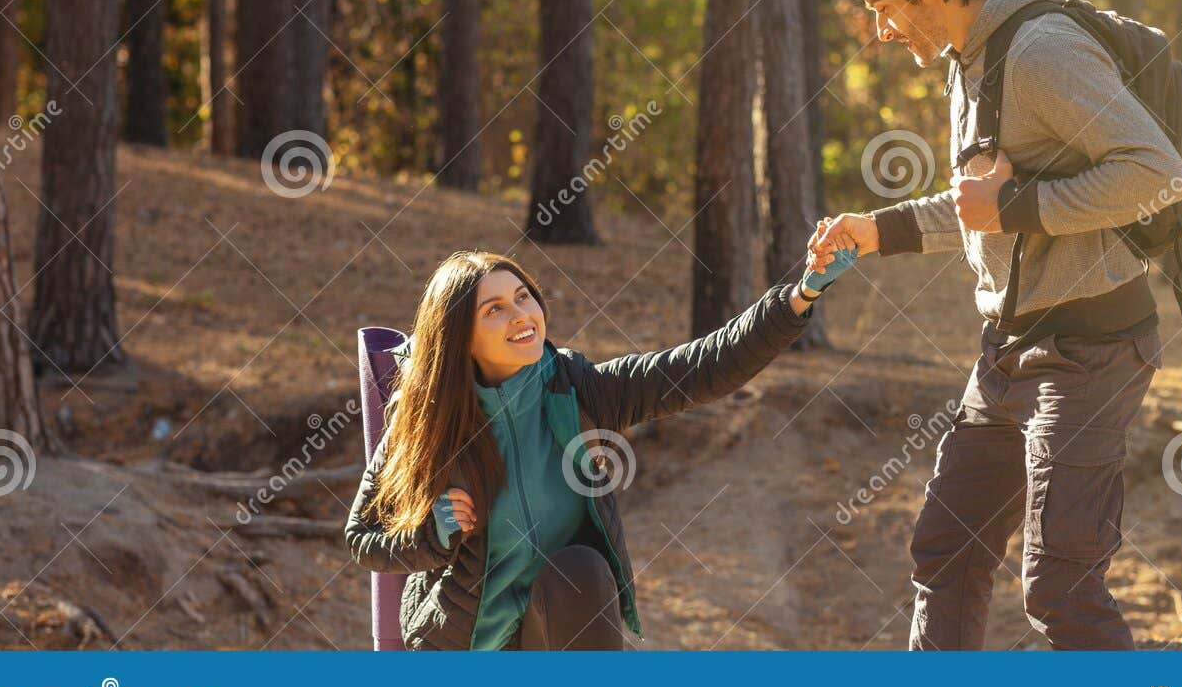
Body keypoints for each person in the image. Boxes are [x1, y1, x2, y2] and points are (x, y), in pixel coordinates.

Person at [810, 0, 1182, 650]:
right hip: (1008, 352)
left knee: (1061, 590)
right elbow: (977, 207)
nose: (881, 31)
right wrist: (874, 231)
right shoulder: (968, 59)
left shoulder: (1042, 52)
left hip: (1091, 351)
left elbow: (1159, 171)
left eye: (886, 8)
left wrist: (1014, 206)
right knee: (946, 551)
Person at [344, 246, 858, 650]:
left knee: (583, 571)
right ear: (460, 337)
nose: (521, 315)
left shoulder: (578, 389)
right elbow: (362, 537)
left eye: (523, 297)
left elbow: (703, 366)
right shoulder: (428, 420)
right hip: (464, 645)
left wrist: (801, 295)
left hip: (561, 632)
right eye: (494, 309)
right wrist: (432, 533)